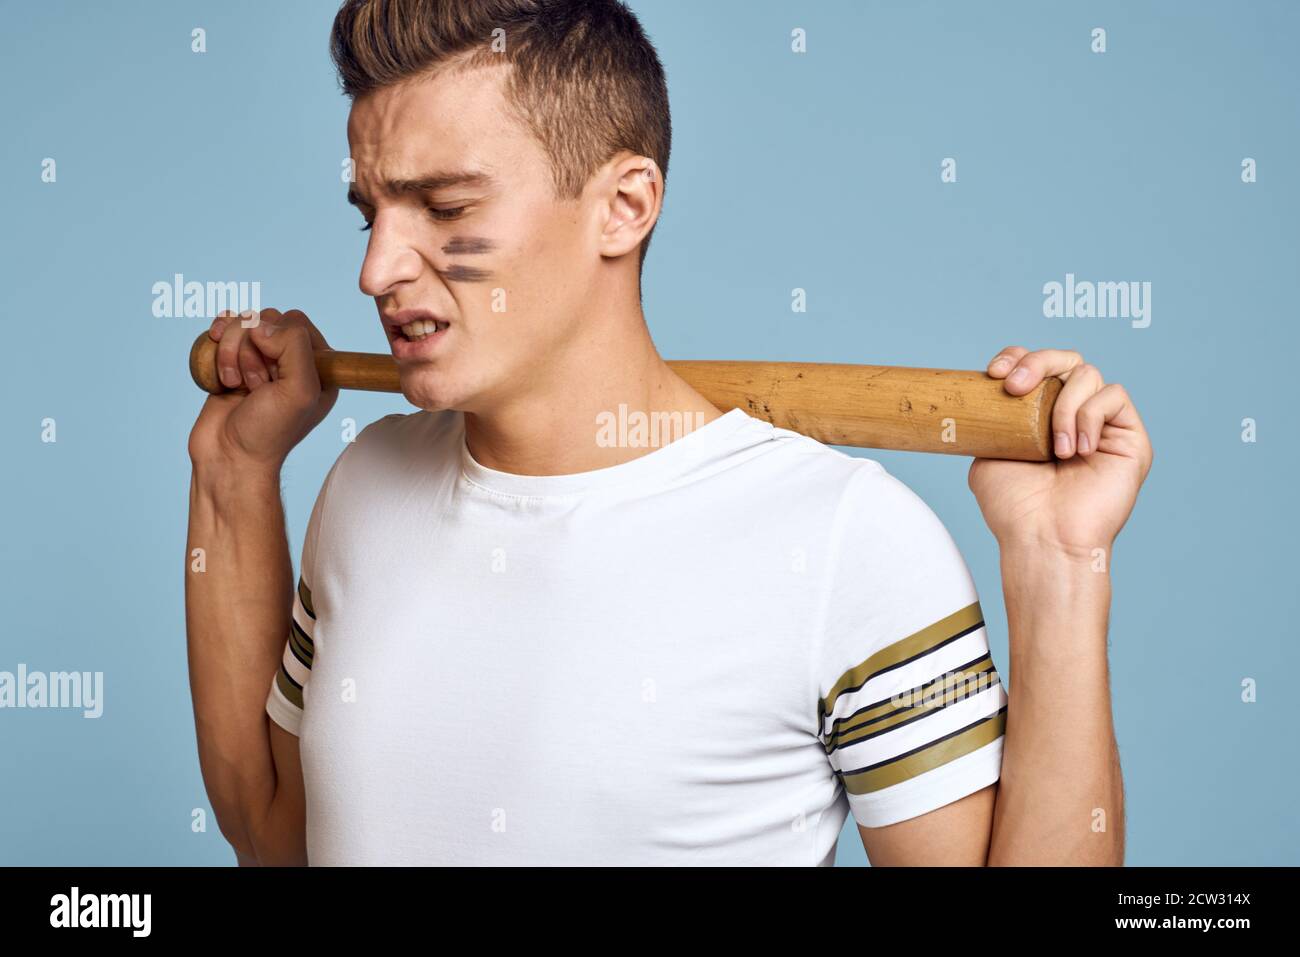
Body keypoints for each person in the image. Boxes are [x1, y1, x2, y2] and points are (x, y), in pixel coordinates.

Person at [185, 0, 1153, 866]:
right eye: (371, 215)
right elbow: (274, 836)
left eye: (444, 208)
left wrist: (1059, 564)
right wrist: (233, 470)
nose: (378, 270)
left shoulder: (846, 546)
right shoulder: (365, 487)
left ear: (624, 206)